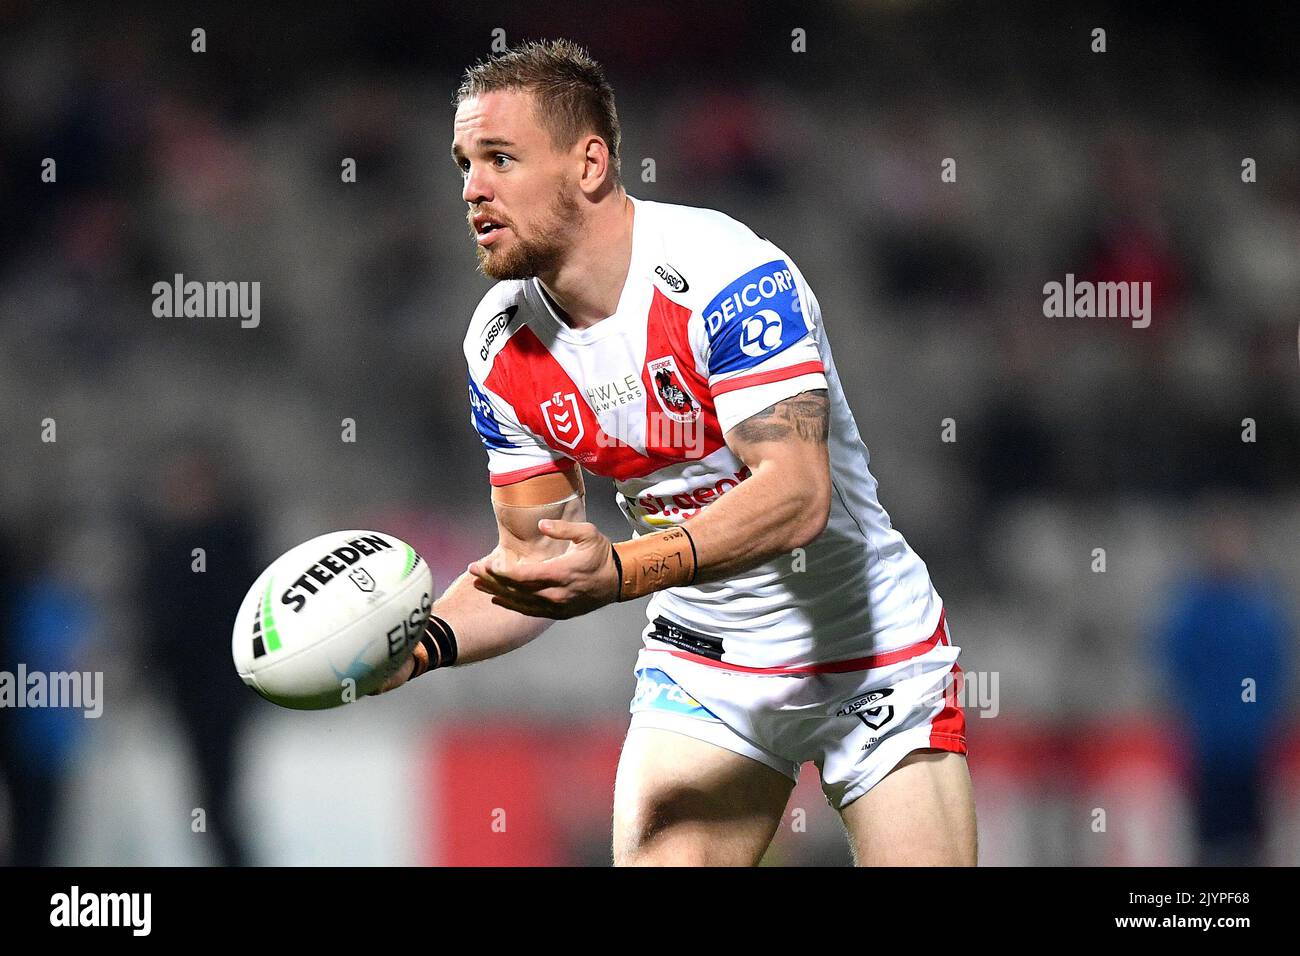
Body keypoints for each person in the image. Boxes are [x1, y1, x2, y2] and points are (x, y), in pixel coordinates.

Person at [376, 38, 976, 866]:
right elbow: (533, 570)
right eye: (464, 164)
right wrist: (420, 646)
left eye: (500, 158)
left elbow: (798, 496)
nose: (472, 189)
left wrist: (621, 571)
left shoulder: (725, 273)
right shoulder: (497, 346)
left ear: (589, 164)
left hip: (873, 651)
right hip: (707, 666)